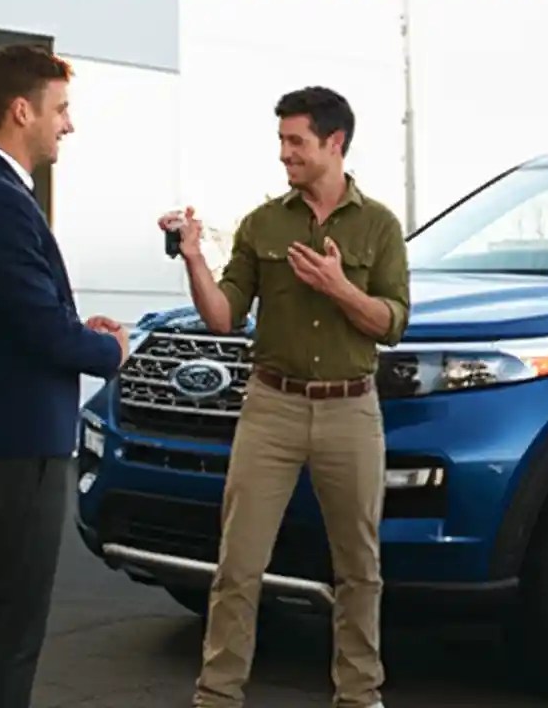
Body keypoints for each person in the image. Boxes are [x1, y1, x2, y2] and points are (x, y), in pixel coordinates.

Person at [161, 86, 409, 708]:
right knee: (238, 565)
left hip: (351, 409)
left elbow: (393, 322)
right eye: (281, 141)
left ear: (335, 143)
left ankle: (359, 696)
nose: (284, 154)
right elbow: (222, 316)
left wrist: (339, 289)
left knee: (359, 568)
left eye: (295, 141)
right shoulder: (262, 224)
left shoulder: (379, 225)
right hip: (271, 407)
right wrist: (193, 258)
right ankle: (217, 695)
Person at [0, 43, 130, 707]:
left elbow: (19, 311)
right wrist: (109, 352)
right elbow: (37, 330)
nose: (68, 124)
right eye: (60, 109)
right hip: (12, 442)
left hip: (0, 434)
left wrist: (73, 324)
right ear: (20, 110)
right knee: (7, 622)